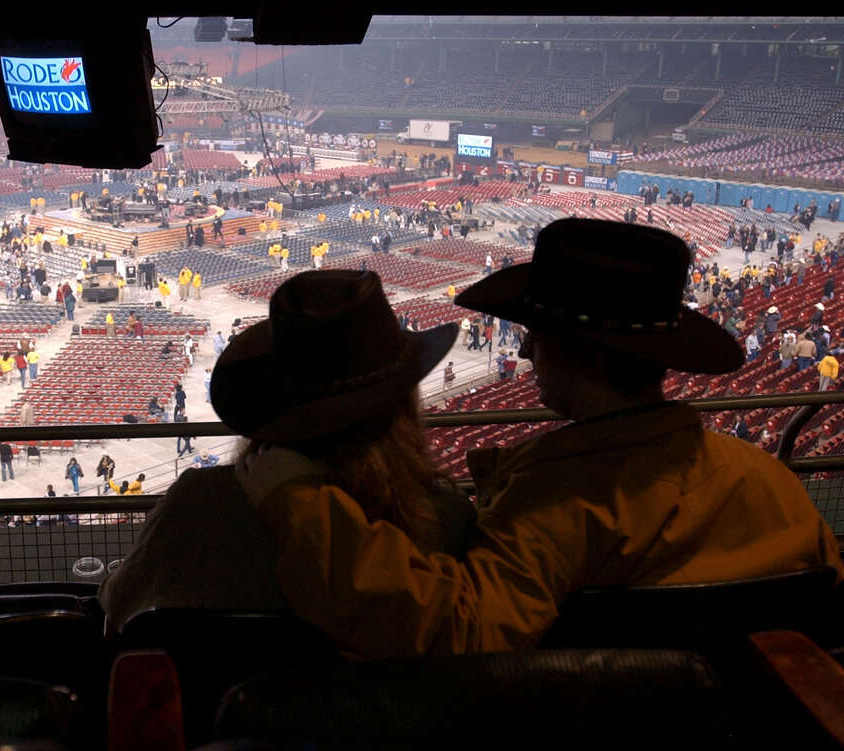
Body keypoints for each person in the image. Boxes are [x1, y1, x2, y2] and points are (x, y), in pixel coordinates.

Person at [235, 219, 843, 658]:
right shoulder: (771, 482)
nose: (524, 349)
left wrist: (300, 501)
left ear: (579, 352)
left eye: (538, 335)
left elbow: (456, 628)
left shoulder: (557, 503)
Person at [100, 270, 474, 632]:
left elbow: (116, 610)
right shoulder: (445, 517)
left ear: (270, 402)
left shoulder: (196, 502)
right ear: (404, 406)